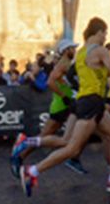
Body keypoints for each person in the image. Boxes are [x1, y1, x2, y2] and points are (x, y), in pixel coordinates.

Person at [19, 19, 110, 195]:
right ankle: (32, 170)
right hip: (91, 103)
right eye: (105, 33)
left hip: (92, 102)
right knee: (72, 148)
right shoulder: (100, 50)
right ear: (98, 32)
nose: (106, 37)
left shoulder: (81, 53)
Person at [10, 38, 78, 176]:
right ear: (66, 50)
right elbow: (50, 82)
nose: (75, 50)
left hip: (66, 103)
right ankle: (20, 154)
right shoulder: (64, 63)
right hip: (62, 105)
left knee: (63, 138)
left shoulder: (67, 63)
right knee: (52, 138)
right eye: (72, 48)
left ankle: (75, 158)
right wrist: (65, 97)